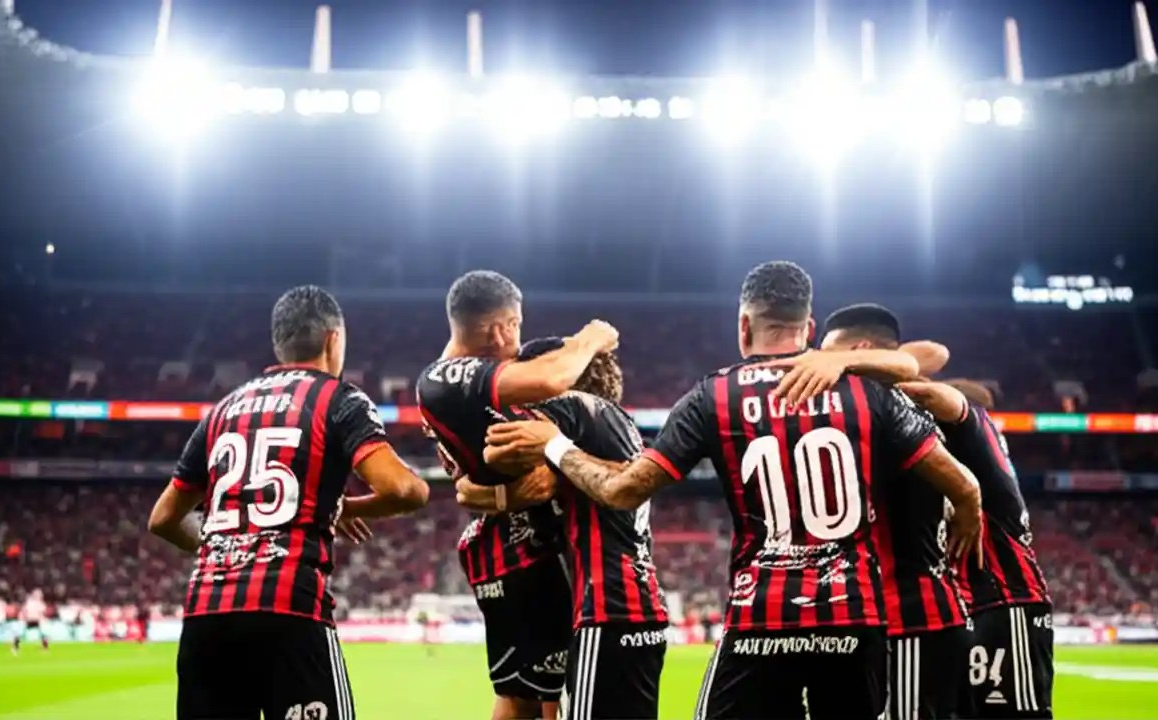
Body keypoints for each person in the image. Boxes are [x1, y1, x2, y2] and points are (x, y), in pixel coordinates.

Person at [484, 261, 984, 720]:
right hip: (855, 619)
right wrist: (967, 513)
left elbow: (622, 489)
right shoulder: (865, 391)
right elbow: (962, 483)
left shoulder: (713, 396)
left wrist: (556, 446)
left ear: (743, 326)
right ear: (809, 330)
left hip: (761, 617)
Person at [148, 285, 429, 720]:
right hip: (288, 609)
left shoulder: (222, 410)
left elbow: (163, 518)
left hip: (206, 615)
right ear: (334, 339)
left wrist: (228, 547)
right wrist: (347, 508)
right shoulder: (338, 398)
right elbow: (406, 490)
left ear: (279, 342)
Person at [416, 270, 619, 720]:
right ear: (501, 328)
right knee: (556, 696)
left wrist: (508, 496)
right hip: (538, 552)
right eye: (518, 325)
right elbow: (551, 379)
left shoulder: (448, 385)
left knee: (520, 693)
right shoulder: (451, 379)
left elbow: (468, 490)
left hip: (501, 548)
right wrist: (589, 339)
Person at [464, 341, 669, 720]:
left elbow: (493, 453)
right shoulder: (621, 429)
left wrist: (481, 487)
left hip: (606, 611)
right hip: (642, 610)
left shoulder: (573, 407)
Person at [803, 303, 976, 720]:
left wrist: (840, 361)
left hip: (909, 617)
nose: (821, 362)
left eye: (828, 352)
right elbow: (926, 355)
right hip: (896, 616)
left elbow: (927, 354)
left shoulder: (882, 411)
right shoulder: (897, 407)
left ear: (858, 350)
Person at [892, 380, 1054, 719]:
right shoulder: (973, 457)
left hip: (1003, 602)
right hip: (965, 607)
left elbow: (947, 395)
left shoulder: (975, 434)